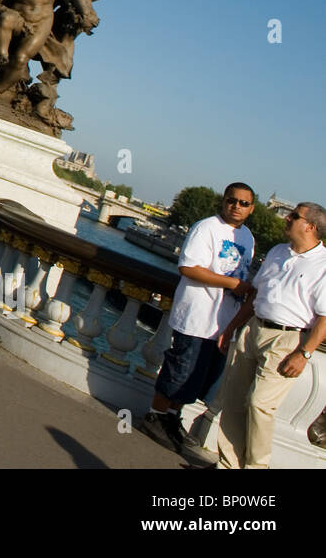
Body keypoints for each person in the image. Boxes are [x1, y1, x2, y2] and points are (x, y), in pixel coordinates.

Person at [136, 183, 256, 461]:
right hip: (197, 314)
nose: (236, 206)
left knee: (198, 378)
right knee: (179, 369)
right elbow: (188, 267)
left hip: (222, 322)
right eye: (232, 201)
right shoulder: (206, 228)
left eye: (244, 203)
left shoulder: (248, 237)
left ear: (251, 209)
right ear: (223, 202)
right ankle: (154, 416)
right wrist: (232, 283)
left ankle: (171, 418)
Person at [212, 201, 326, 469]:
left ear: (310, 226)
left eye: (294, 216)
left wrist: (304, 353)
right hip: (253, 327)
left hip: (287, 340)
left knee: (259, 404)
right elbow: (255, 296)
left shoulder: (323, 265)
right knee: (234, 400)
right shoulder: (277, 252)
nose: (287, 218)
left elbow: (324, 319)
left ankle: (256, 468)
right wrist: (232, 327)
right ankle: (228, 465)